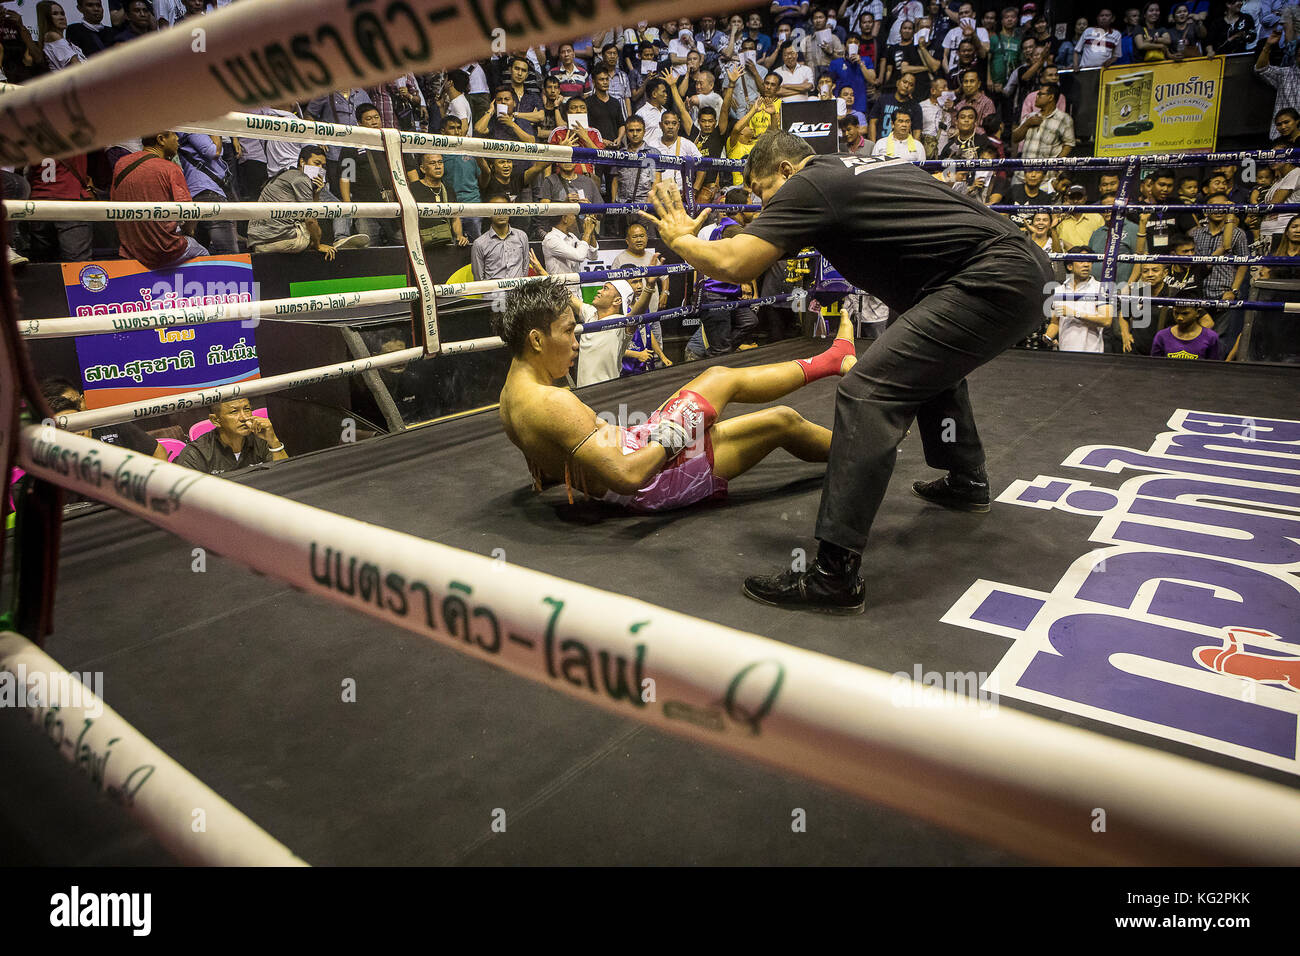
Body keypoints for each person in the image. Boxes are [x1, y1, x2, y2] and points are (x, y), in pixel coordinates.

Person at [641, 132, 1054, 612]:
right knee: (923, 361)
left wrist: (682, 240)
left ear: (785, 171)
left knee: (867, 391)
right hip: (1017, 270)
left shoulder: (810, 184)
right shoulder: (853, 168)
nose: (761, 204)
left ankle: (833, 576)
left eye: (760, 191)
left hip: (992, 278)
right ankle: (967, 480)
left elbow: (735, 265)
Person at [494, 276, 858, 513]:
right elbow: (626, 476)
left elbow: (545, 451)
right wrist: (671, 440)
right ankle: (863, 452)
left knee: (719, 376)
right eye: (568, 332)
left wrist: (562, 471)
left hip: (641, 447)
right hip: (654, 478)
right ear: (537, 340)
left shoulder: (512, 397)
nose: (575, 343)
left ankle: (832, 359)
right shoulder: (552, 402)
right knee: (782, 421)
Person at [110, 132, 208, 269]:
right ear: (161, 139)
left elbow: (113, 203)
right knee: (204, 254)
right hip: (165, 249)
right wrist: (189, 231)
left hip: (131, 250)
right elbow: (189, 213)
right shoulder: (170, 168)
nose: (178, 140)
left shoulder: (121, 164)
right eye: (174, 135)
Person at [40, 377, 168, 459]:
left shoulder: (107, 421)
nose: (78, 429)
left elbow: (156, 450)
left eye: (76, 403)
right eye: (67, 423)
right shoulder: (49, 449)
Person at [176, 399, 289, 475]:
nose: (244, 417)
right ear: (215, 420)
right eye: (234, 412)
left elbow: (286, 476)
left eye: (247, 409)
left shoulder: (262, 439)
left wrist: (273, 441)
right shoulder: (195, 453)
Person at [1045, 249, 1112, 354]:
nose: (1086, 265)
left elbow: (1106, 320)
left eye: (1089, 261)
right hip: (1065, 353)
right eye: (1081, 261)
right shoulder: (1059, 290)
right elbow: (1055, 322)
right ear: (1070, 266)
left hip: (1092, 354)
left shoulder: (1101, 288)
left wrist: (1075, 313)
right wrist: (1048, 336)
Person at [471, 193, 532, 281]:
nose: (501, 213)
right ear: (488, 213)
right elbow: (479, 278)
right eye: (496, 209)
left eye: (505, 209)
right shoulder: (479, 243)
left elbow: (525, 268)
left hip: (518, 292)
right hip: (493, 293)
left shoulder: (522, 236)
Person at [1151, 305, 1222, 360]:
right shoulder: (1162, 336)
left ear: (1198, 313)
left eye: (1185, 313)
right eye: (1176, 313)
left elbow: (1214, 367)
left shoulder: (1211, 337)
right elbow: (1154, 366)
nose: (1179, 318)